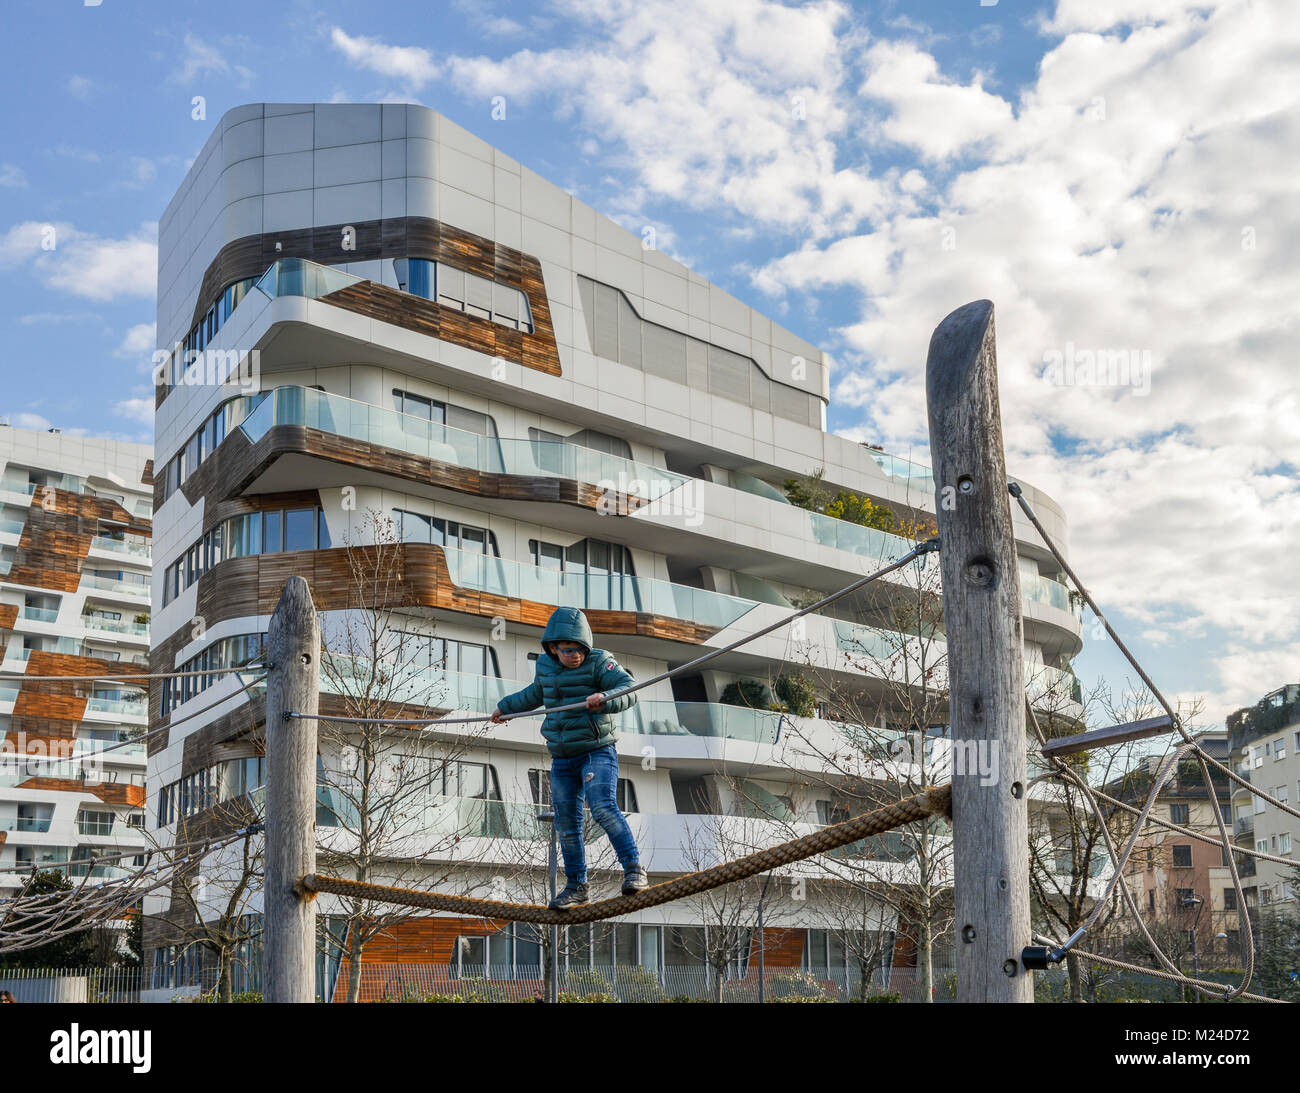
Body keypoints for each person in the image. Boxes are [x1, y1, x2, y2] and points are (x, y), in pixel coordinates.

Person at [490, 606, 649, 910]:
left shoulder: (600, 661)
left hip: (596, 750)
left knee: (602, 807)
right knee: (566, 824)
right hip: (562, 757)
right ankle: (577, 886)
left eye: (579, 649)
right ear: (552, 648)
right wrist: (505, 707)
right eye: (567, 650)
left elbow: (630, 688)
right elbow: (535, 694)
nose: (575, 655)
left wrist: (605, 701)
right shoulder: (545, 667)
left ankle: (634, 870)